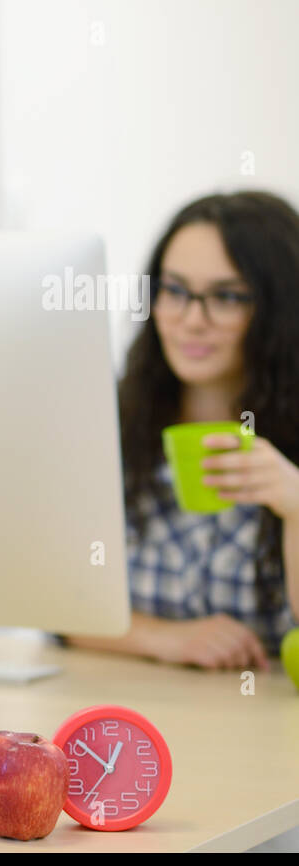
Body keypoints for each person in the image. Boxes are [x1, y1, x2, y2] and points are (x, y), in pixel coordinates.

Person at [66, 191, 299, 670]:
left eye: (227, 297)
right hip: (128, 719)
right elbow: (56, 601)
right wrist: (164, 638)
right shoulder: (109, 424)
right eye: (174, 291)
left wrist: (296, 507)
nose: (192, 320)